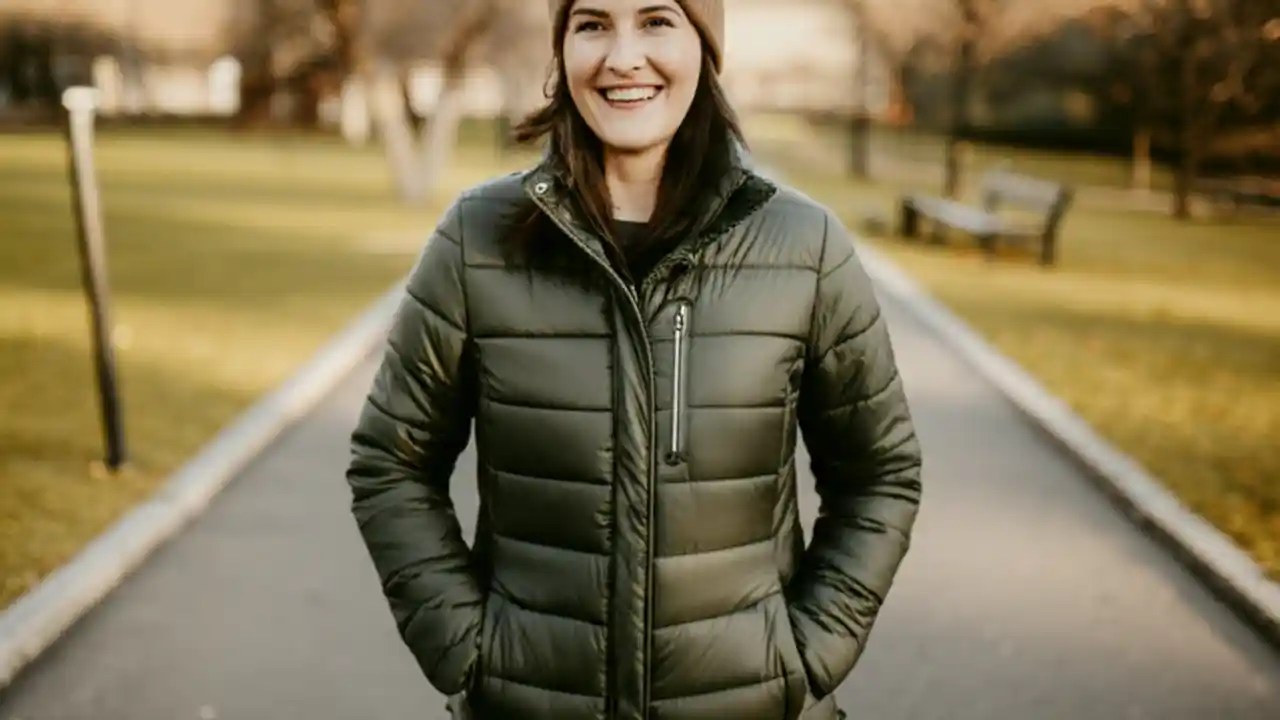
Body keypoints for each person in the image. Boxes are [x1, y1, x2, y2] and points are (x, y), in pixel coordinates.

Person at [345, 0, 924, 718]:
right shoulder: (476, 241)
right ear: (562, 51)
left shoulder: (804, 248)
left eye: (656, 21)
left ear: (704, 47)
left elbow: (880, 473)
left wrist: (804, 658)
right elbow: (390, 461)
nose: (623, 57)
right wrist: (465, 648)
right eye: (592, 24)